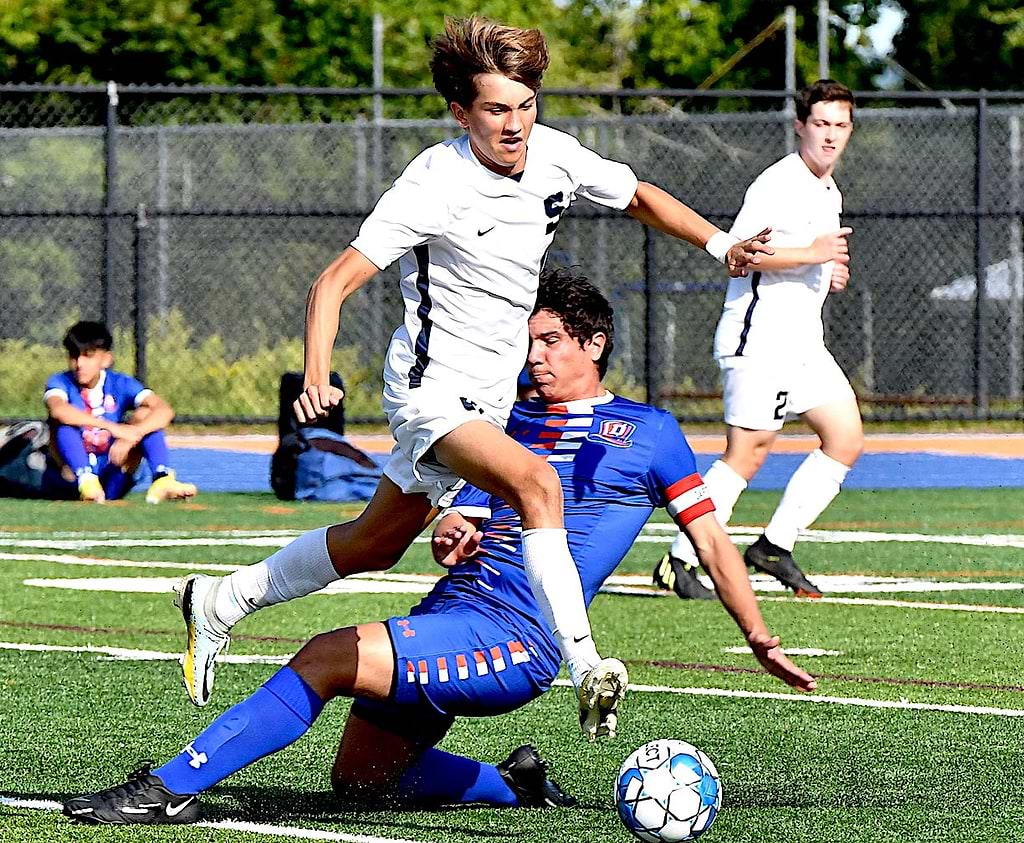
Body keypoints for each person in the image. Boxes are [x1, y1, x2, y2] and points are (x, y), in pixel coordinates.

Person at [173, 14, 773, 740]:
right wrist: (317, 374)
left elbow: (638, 194)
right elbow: (332, 283)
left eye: (526, 106)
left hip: (486, 399)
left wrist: (721, 245)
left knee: (374, 543)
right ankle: (584, 666)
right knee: (537, 484)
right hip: (428, 392)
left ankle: (219, 601)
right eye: (496, 110)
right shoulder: (433, 182)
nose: (515, 124)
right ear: (462, 113)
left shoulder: (554, 155)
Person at [63, 269, 813, 826]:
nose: (537, 357)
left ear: (595, 342)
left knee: (324, 655)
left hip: (516, 639)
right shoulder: (510, 421)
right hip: (456, 608)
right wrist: (458, 521)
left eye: (551, 341)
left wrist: (758, 636)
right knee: (360, 784)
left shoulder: (649, 432)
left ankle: (167, 788)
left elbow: (711, 538)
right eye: (529, 343)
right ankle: (513, 781)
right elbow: (469, 510)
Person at [654, 80, 861, 601]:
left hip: (802, 345)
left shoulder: (828, 190)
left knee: (845, 438)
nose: (830, 136)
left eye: (840, 125)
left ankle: (774, 546)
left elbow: (809, 255)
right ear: (800, 127)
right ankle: (678, 560)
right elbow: (744, 254)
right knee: (746, 453)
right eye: (821, 124)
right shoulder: (779, 183)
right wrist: (814, 255)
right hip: (760, 340)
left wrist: (828, 270)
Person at [42, 321, 197, 504]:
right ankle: (86, 480)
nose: (79, 364)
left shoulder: (120, 383)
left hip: (112, 472)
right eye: (74, 356)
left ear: (106, 359)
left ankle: (162, 478)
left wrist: (132, 435)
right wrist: (113, 428)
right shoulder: (60, 382)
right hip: (70, 479)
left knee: (145, 415)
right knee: (61, 423)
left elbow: (164, 410)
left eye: (88, 356)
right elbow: (58, 410)